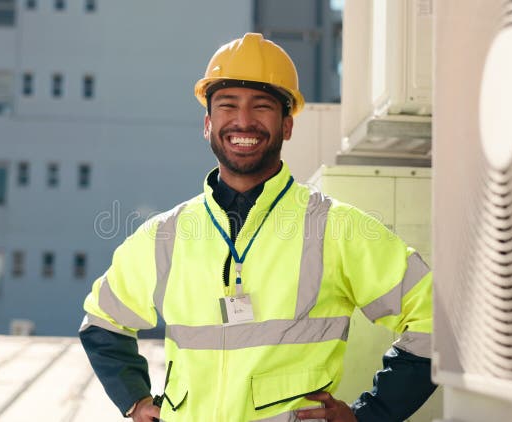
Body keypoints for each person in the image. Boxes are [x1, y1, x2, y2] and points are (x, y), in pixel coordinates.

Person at [79, 33, 436, 422]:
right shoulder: (166, 236)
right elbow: (102, 321)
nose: (243, 121)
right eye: (228, 105)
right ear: (207, 123)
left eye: (261, 107)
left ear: (287, 125)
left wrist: (370, 415)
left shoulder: (338, 229)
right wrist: (135, 400)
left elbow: (438, 321)